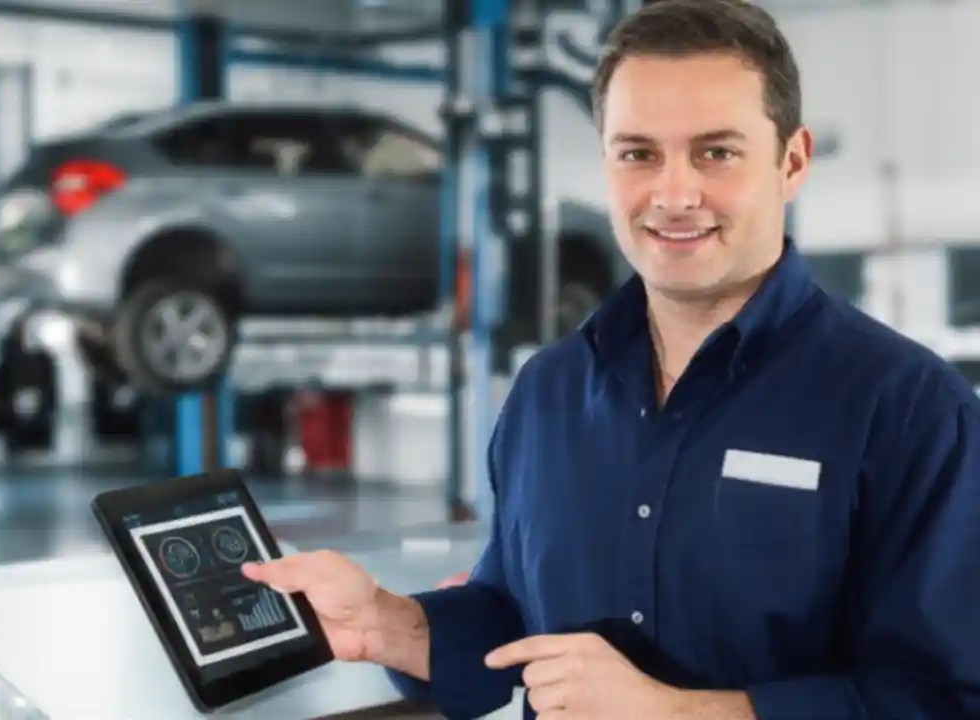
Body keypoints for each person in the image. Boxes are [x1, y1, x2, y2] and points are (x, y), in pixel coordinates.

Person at [242, 1, 980, 717]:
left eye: (715, 152)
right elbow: (514, 610)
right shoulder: (549, 392)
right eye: (638, 154)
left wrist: (677, 713)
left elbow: (942, 696)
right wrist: (385, 624)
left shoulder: (910, 408)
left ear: (792, 162)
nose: (674, 192)